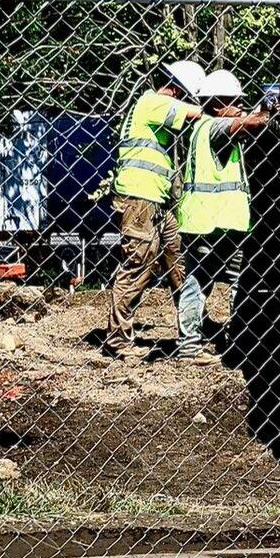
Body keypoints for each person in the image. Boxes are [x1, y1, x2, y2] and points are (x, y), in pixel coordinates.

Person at [103, 59, 206, 359]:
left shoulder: (155, 109)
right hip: (138, 200)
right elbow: (194, 114)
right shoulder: (152, 102)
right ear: (176, 91)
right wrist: (214, 110)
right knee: (138, 264)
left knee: (179, 259)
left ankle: (191, 335)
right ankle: (118, 340)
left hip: (156, 201)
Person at [174, 68, 268, 363]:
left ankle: (189, 344)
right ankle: (240, 341)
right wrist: (267, 113)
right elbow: (248, 124)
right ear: (216, 103)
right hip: (220, 223)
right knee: (243, 279)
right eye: (234, 100)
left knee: (197, 279)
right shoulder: (214, 128)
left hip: (200, 221)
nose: (240, 106)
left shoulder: (200, 129)